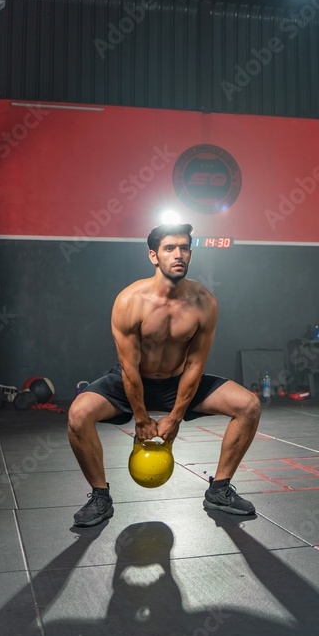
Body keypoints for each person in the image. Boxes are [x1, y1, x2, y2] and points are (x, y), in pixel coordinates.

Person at [68, 222, 261, 526]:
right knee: (78, 414)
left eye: (184, 248)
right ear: (153, 256)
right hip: (131, 381)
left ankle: (220, 489)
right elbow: (129, 369)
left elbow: (196, 365)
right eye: (170, 248)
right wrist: (142, 419)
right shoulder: (130, 301)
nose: (178, 254)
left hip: (179, 380)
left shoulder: (204, 303)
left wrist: (175, 417)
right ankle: (100, 496)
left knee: (248, 405)